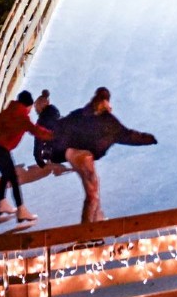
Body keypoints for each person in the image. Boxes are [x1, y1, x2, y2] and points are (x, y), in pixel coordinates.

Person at [50, 87, 157, 223]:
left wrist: (54, 152)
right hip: (83, 156)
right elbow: (128, 136)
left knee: (94, 187)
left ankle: (98, 220)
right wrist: (150, 139)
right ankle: (86, 232)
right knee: (92, 194)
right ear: (105, 102)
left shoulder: (82, 113)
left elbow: (61, 126)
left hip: (73, 154)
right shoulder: (108, 122)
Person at [0, 90, 50, 223]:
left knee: (6, 174)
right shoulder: (23, 118)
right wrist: (52, 135)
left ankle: (2, 203)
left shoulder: (10, 110)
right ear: (29, 105)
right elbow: (36, 131)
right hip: (1, 149)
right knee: (14, 178)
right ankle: (21, 210)